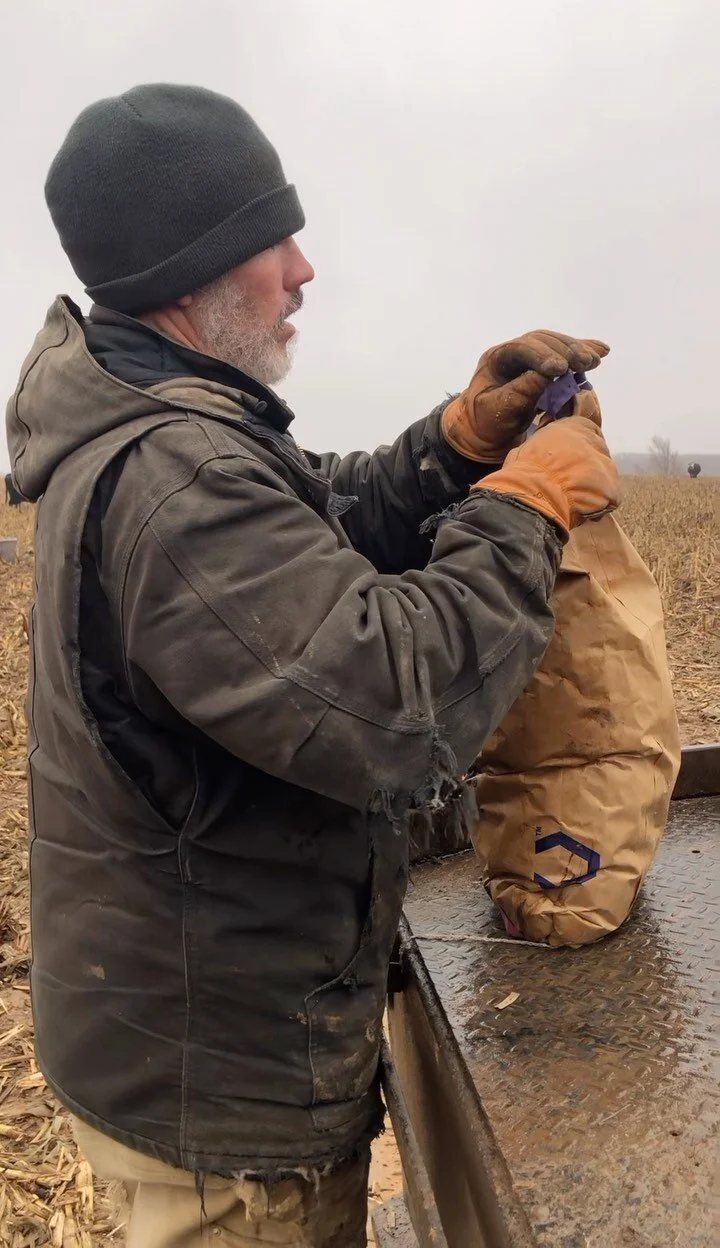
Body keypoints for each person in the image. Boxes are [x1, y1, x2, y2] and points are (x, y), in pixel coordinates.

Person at [6, 84, 618, 1248]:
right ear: (191, 274)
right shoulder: (173, 482)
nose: (302, 268)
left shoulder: (176, 428)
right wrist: (528, 505)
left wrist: (454, 446)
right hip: (220, 1117)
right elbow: (394, 705)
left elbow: (316, 528)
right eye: (268, 240)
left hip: (196, 1046)